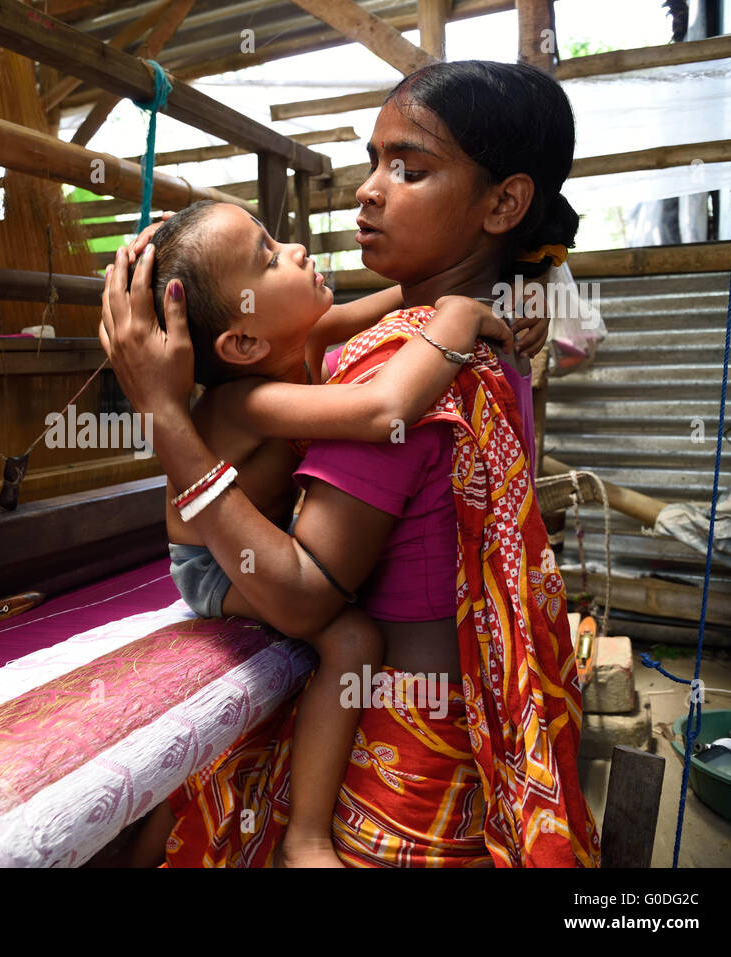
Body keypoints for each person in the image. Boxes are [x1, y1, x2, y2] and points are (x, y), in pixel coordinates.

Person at [99, 59, 601, 867]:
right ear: (242, 339)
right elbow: (392, 354)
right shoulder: (454, 345)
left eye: (409, 168)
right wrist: (478, 309)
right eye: (373, 162)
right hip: (455, 730)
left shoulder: (410, 358)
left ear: (504, 203)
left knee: (233, 758)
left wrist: (162, 411)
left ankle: (299, 836)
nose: (367, 189)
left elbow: (303, 595)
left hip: (406, 770)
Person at [129, 199, 515, 866]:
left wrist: (459, 277)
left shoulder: (305, 336)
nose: (297, 249)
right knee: (354, 636)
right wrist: (462, 316)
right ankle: (306, 835)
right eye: (269, 256)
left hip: (263, 530)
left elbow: (404, 298)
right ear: (244, 343)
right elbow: (381, 407)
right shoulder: (244, 401)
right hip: (213, 562)